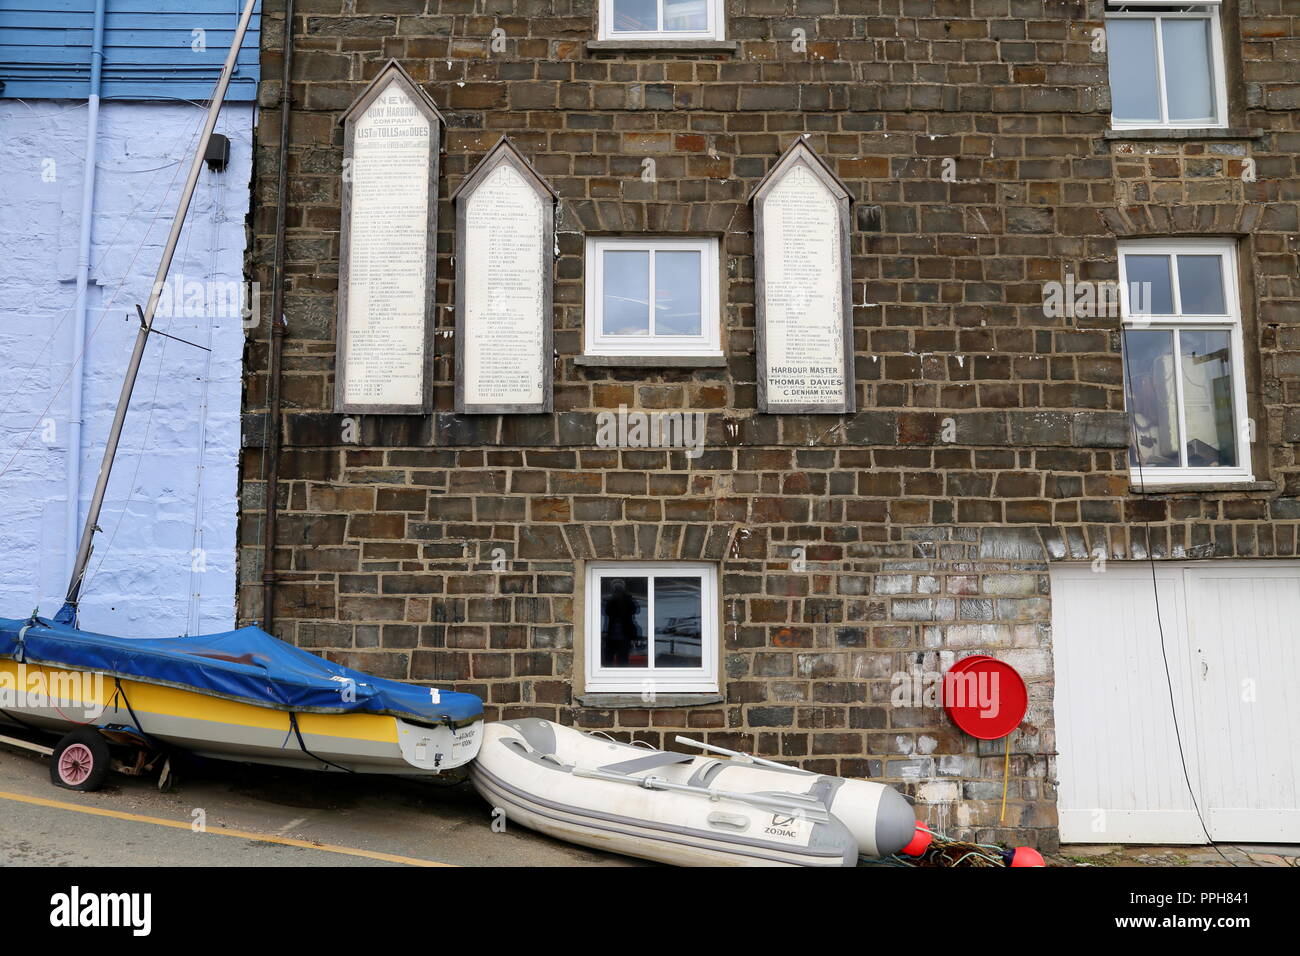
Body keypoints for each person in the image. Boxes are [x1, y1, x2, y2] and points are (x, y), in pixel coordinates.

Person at [602, 578, 639, 667]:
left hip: (621, 634)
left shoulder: (626, 599)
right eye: (617, 588)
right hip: (615, 634)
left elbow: (635, 610)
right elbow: (606, 612)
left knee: (618, 659)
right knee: (614, 659)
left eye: (619, 588)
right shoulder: (612, 600)